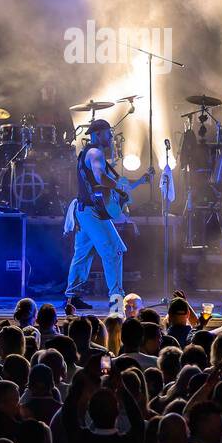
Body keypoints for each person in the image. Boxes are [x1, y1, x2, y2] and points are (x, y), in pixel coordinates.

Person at [63, 119, 154, 314]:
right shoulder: (96, 153)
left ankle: (71, 299)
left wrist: (136, 182)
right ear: (97, 134)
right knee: (113, 251)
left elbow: (110, 184)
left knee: (82, 255)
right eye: (108, 133)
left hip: (84, 211)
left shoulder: (88, 153)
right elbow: (100, 178)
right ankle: (116, 301)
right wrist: (117, 185)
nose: (111, 137)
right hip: (91, 213)